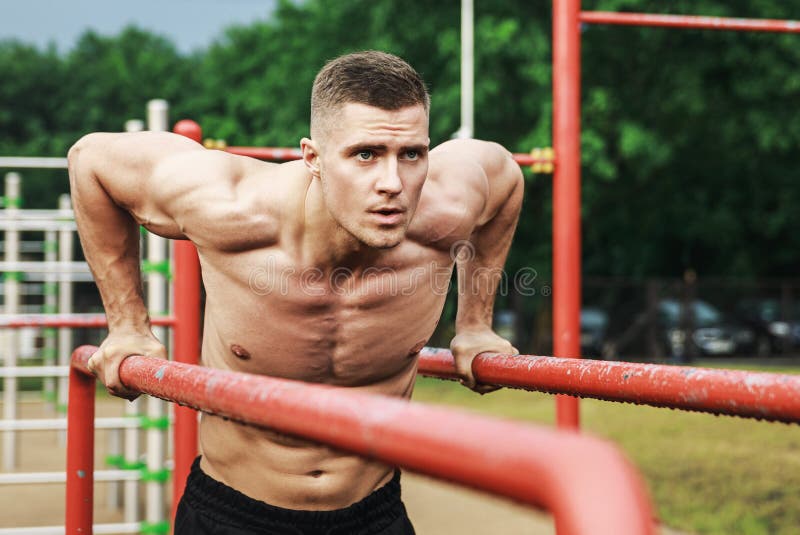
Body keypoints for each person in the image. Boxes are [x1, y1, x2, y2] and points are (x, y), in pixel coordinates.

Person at [68, 50, 523, 535]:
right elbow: (90, 159)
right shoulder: (232, 209)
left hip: (374, 514)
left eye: (411, 154)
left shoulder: (447, 208)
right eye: (365, 154)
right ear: (313, 158)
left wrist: (475, 325)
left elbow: (505, 176)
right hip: (235, 514)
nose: (392, 183)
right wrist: (128, 326)